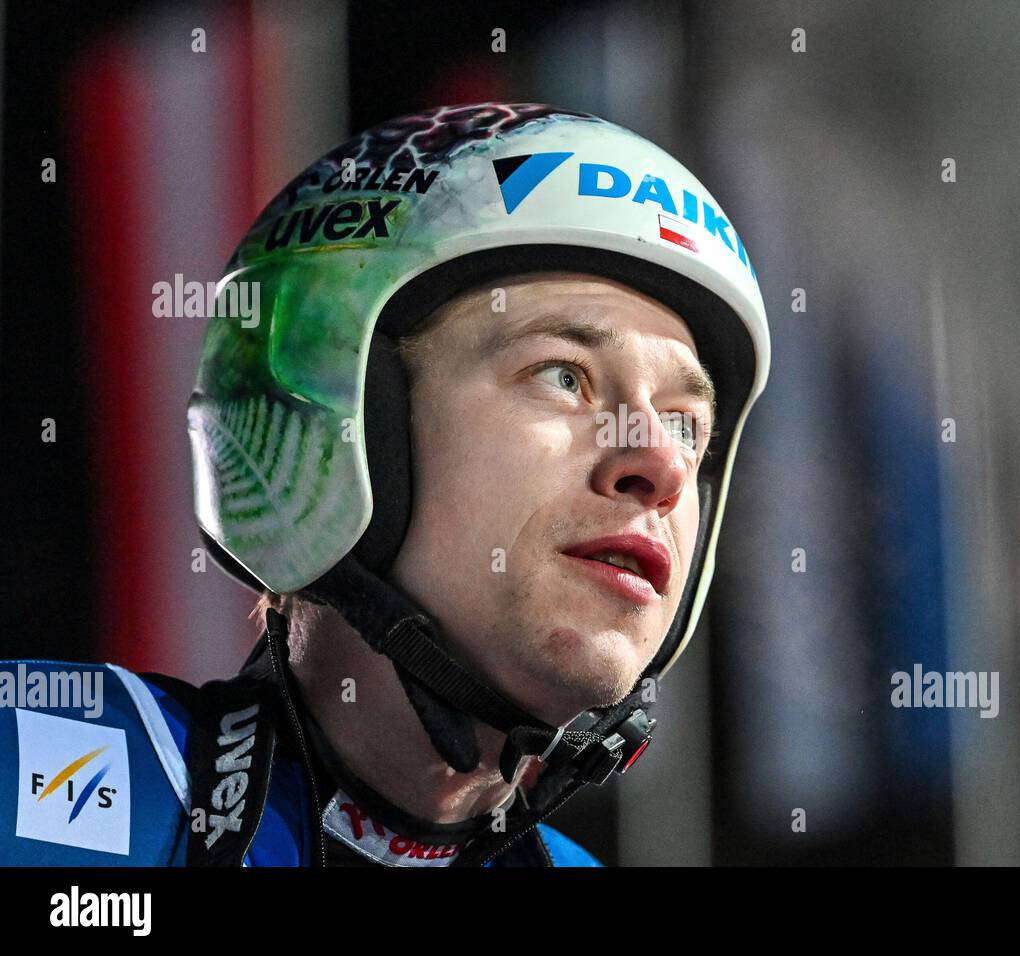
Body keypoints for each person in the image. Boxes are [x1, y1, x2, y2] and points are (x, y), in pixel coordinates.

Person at [0, 103, 769, 866]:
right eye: (564, 376)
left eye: (683, 424)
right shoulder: (28, 765)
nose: (662, 467)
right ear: (334, 417)